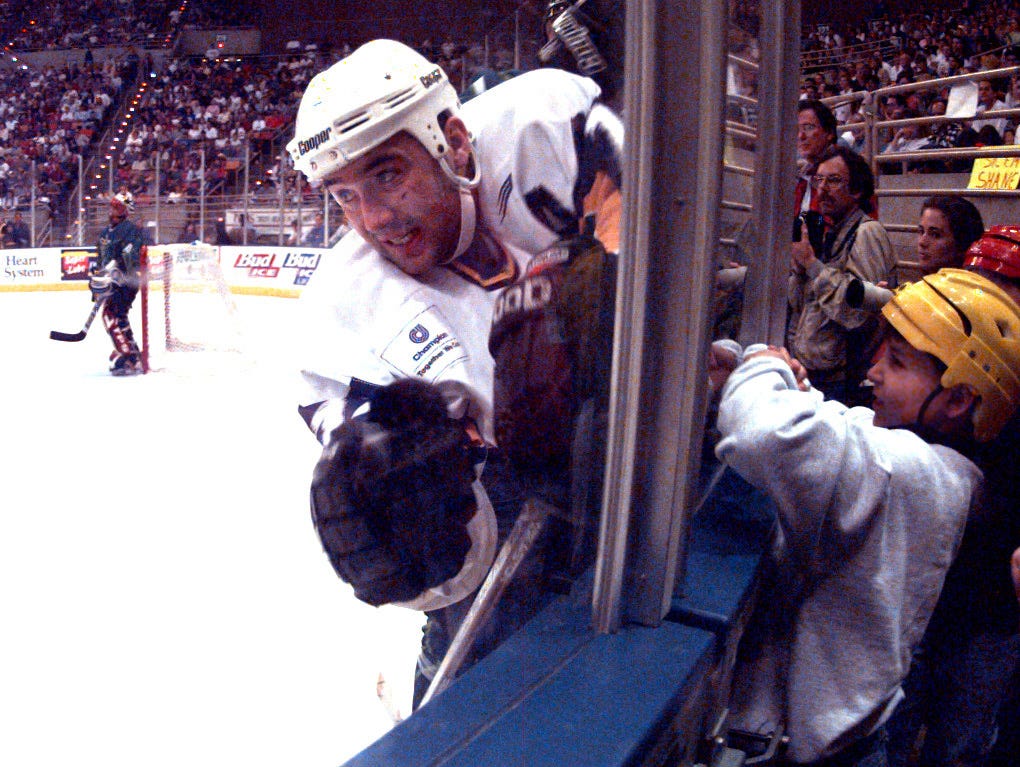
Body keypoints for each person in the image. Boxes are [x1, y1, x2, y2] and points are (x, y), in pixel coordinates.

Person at [287, 39, 622, 706]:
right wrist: (403, 537)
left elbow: (686, 268)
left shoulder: (547, 129)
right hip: (530, 533)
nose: (373, 219)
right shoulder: (343, 309)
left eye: (387, 174)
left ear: (455, 141)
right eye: (346, 195)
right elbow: (445, 546)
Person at [712, 268, 1020, 766]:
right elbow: (846, 425)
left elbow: (765, 437)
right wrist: (789, 381)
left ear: (960, 398)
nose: (872, 372)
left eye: (897, 362)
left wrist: (760, 369)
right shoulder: (935, 464)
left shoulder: (916, 473)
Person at [787, 144, 896, 406]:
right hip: (811, 369)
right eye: (819, 180)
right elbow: (801, 305)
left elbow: (856, 313)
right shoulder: (830, 232)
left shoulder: (868, 232)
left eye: (834, 180)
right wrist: (801, 270)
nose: (822, 188)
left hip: (840, 381)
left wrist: (811, 264)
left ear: (856, 190)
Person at [90, 193, 148, 376]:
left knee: (111, 316)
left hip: (126, 283)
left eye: (117, 207)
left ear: (125, 210)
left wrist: (117, 271)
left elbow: (129, 257)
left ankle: (128, 357)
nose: (112, 211)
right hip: (111, 283)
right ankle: (131, 352)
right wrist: (97, 277)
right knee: (118, 317)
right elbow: (100, 258)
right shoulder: (105, 232)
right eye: (112, 207)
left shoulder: (131, 230)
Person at [794, 99, 838, 215]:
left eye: (808, 128)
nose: (801, 136)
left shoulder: (845, 171)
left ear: (829, 133)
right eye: (797, 129)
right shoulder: (804, 174)